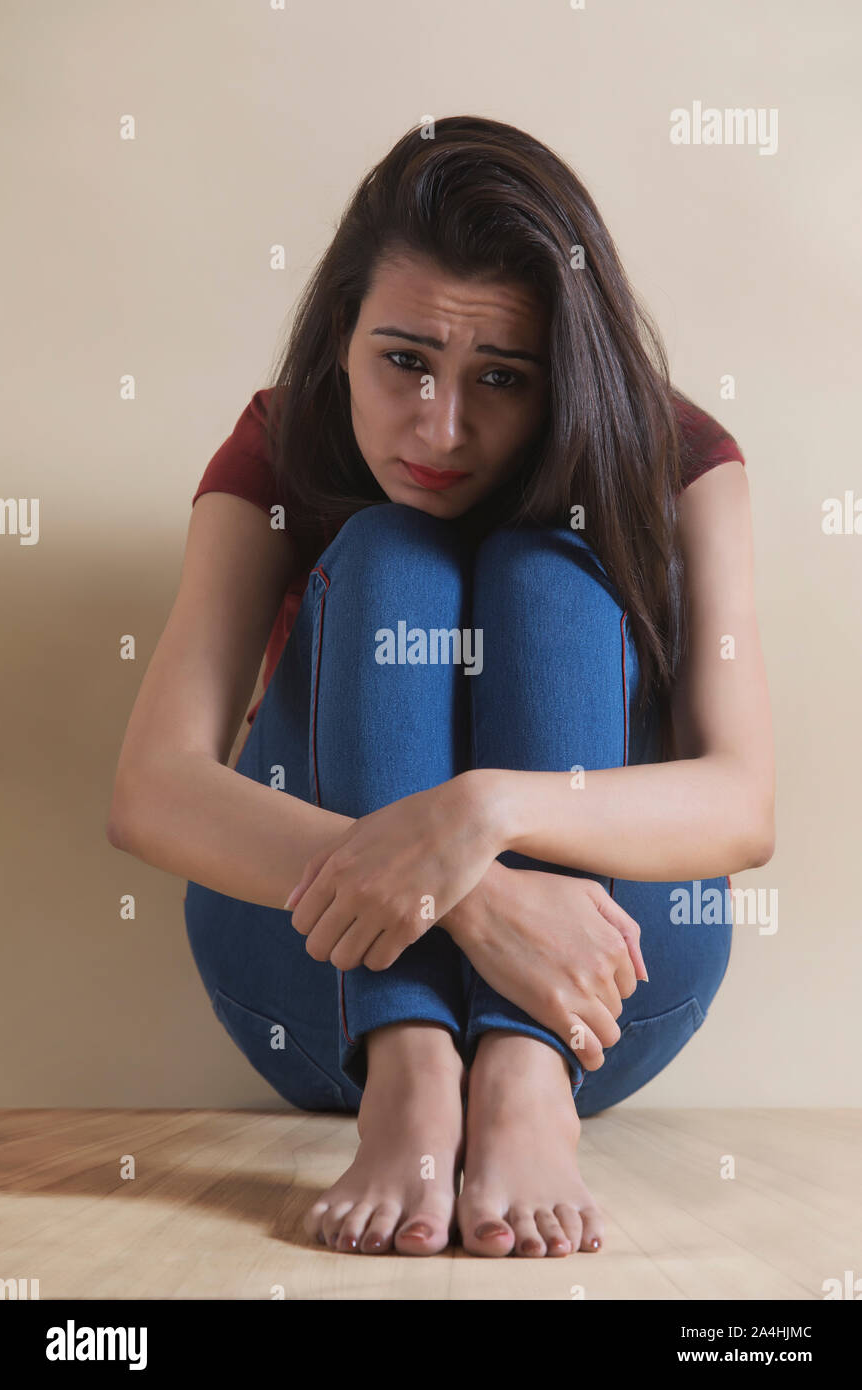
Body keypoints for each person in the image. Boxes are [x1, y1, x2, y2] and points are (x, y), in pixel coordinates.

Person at [107, 115, 775, 1260]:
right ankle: (409, 1074)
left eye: (501, 378)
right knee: (388, 551)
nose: (440, 427)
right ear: (341, 333)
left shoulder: (673, 455)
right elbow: (152, 789)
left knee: (543, 568)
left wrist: (485, 814)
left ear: (564, 372)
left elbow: (741, 804)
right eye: (403, 359)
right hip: (313, 988)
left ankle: (521, 1081)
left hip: (590, 991)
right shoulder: (279, 442)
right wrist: (468, 890)